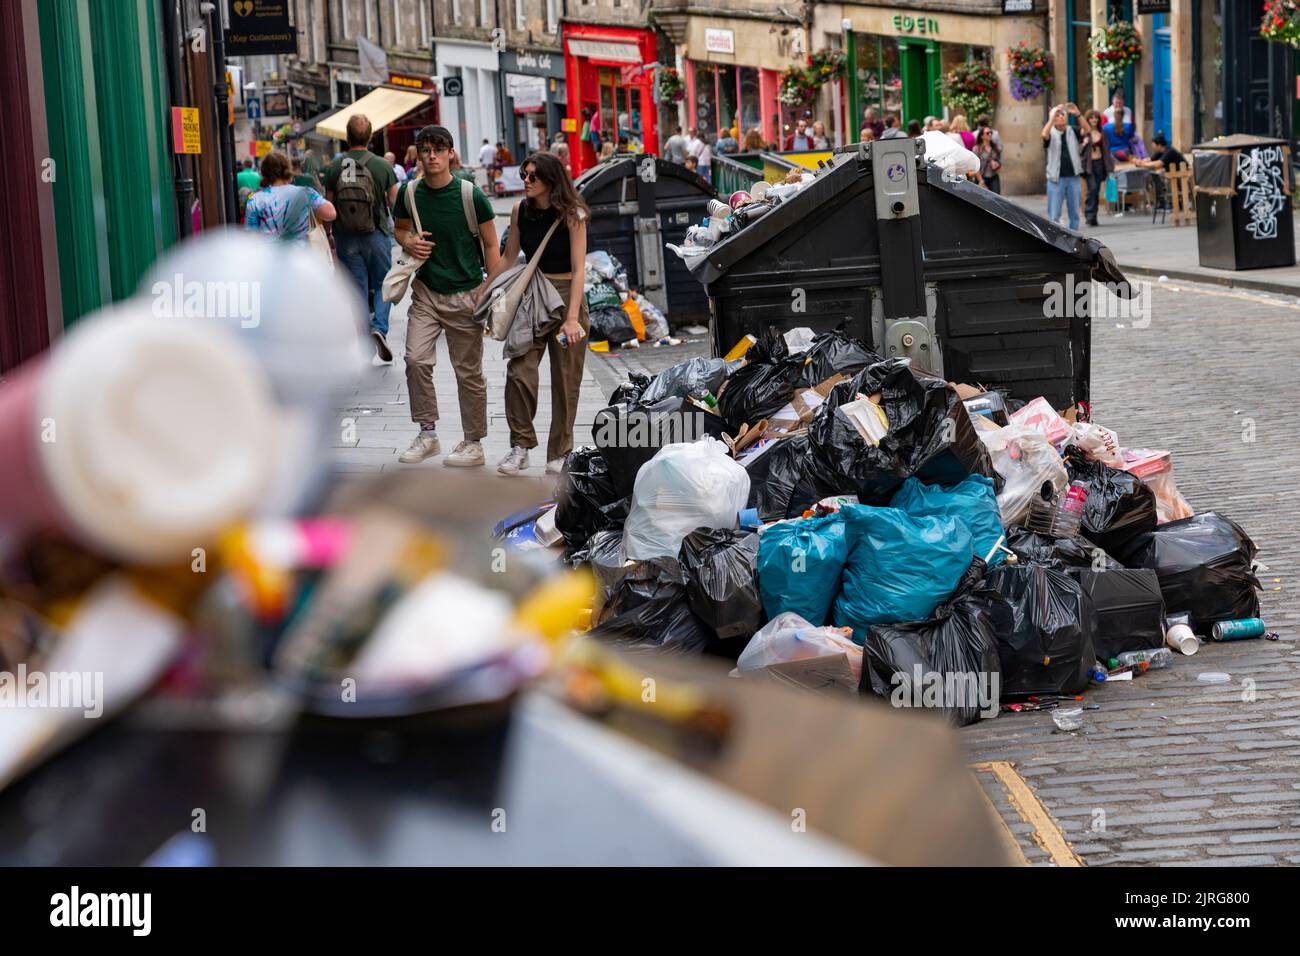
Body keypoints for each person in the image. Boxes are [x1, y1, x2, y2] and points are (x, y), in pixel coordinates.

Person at [392, 125, 501, 467]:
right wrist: (409, 242)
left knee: (468, 373)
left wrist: (489, 287)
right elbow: (399, 229)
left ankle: (473, 442)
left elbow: (491, 243)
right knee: (415, 360)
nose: (433, 156)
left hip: (467, 293)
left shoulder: (471, 196)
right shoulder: (409, 193)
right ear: (419, 155)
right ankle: (428, 434)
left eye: (439, 150)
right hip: (425, 291)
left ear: (451, 153)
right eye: (426, 150)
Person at [480, 152, 590, 476]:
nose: (525, 181)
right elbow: (509, 257)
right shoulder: (520, 211)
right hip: (533, 295)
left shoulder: (573, 215)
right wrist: (486, 288)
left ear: (551, 182)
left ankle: (559, 452)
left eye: (533, 177)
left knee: (566, 380)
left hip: (568, 296)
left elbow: (579, 268)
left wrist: (572, 318)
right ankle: (521, 445)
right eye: (524, 175)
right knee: (519, 369)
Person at [322, 114, 400, 364]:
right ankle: (379, 327)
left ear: (347, 136)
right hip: (376, 234)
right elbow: (395, 202)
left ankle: (364, 345)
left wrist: (329, 234)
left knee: (356, 290)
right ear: (370, 136)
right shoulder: (382, 166)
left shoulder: (335, 166)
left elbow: (329, 206)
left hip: (346, 237)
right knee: (383, 284)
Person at [244, 150, 336, 242]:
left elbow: (251, 238)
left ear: (264, 173)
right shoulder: (304, 193)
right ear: (287, 169)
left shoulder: (254, 200)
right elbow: (331, 213)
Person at [1042, 103, 1084, 231]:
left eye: (1062, 115)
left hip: (1074, 178)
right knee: (1054, 215)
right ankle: (1055, 243)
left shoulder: (1073, 131)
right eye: (1057, 115)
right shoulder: (1051, 132)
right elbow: (1044, 135)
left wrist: (1078, 114)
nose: (1060, 117)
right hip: (1056, 179)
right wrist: (1051, 119)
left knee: (1075, 214)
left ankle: (1074, 242)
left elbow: (1087, 130)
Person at [1080, 109, 1114, 227]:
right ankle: (1089, 215)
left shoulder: (1102, 132)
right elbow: (1079, 149)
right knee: (1092, 189)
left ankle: (1094, 217)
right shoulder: (1084, 132)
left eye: (1096, 118)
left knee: (1096, 190)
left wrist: (1110, 168)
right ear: (1087, 119)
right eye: (1091, 118)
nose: (1094, 120)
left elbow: (1106, 150)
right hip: (1089, 165)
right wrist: (1083, 144)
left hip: (1100, 164)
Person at [971, 125, 1002, 194]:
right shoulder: (976, 149)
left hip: (993, 177)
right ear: (982, 136)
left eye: (991, 132)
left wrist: (997, 165)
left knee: (996, 198)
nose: (990, 134)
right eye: (987, 133)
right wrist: (981, 180)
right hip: (981, 177)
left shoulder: (996, 148)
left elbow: (1000, 163)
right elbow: (976, 166)